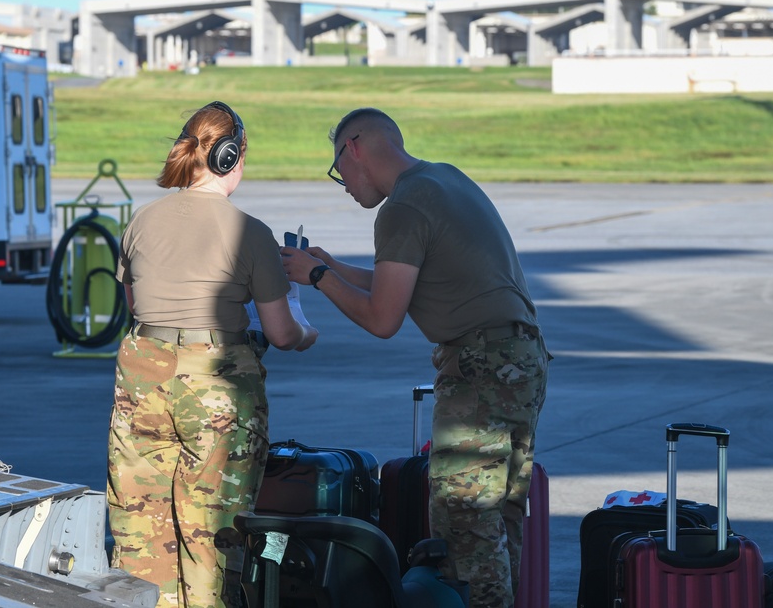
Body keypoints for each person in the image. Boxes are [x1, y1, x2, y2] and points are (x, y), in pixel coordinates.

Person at [281, 108, 549, 608]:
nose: (343, 184)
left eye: (338, 170)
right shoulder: (442, 179)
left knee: (466, 522)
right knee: (499, 518)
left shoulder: (401, 208)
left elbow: (384, 319)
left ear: (354, 148)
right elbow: (403, 281)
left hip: (480, 368)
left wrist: (318, 279)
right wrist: (332, 266)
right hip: (520, 361)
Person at [107, 101, 318, 608]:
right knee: (212, 540)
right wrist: (300, 314)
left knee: (140, 540)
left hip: (142, 381)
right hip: (216, 389)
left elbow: (137, 309)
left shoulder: (140, 221)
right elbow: (283, 334)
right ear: (232, 156)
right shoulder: (251, 233)